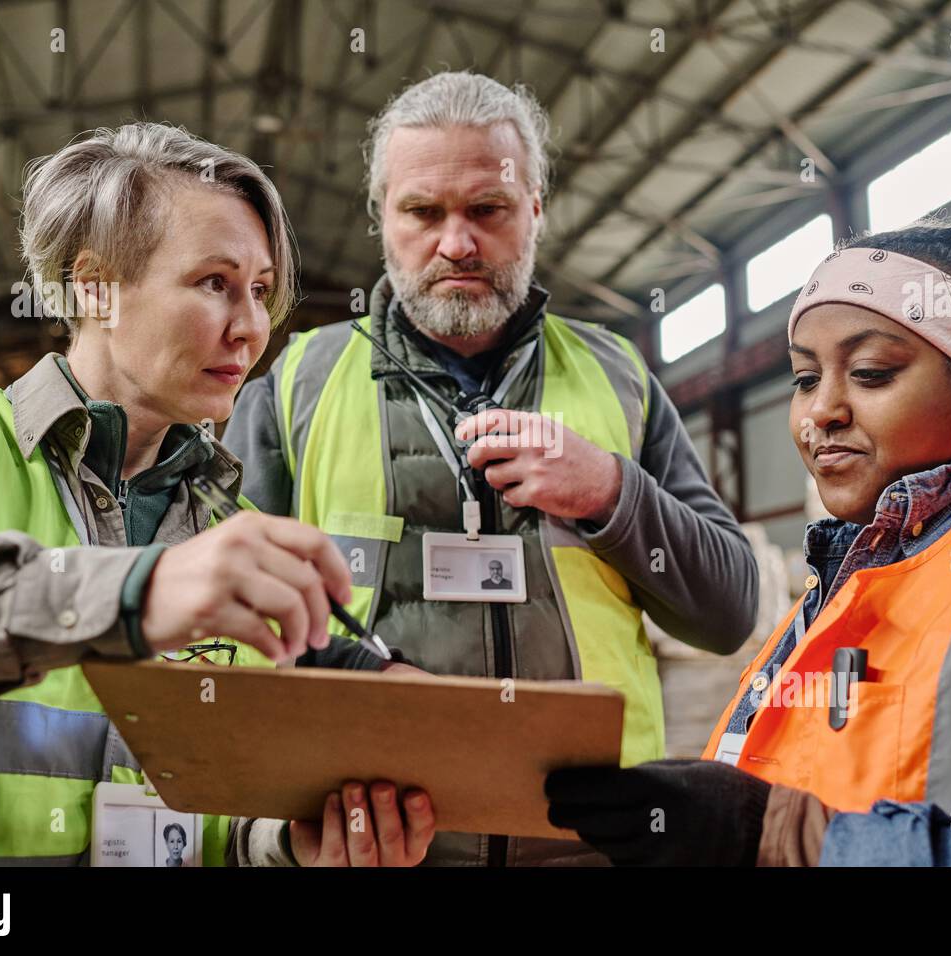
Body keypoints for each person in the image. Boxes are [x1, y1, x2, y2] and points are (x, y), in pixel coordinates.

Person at [0, 122, 434, 867]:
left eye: (261, 292)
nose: (253, 328)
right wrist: (135, 592)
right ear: (96, 287)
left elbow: (216, 806)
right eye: (215, 284)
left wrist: (284, 847)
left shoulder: (238, 537)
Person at [226, 70, 759, 866]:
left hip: (594, 847)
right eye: (423, 212)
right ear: (382, 219)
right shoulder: (295, 386)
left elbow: (727, 612)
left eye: (488, 210)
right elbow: (220, 625)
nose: (457, 244)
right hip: (384, 847)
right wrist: (351, 677)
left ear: (535, 210)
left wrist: (611, 492)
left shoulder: (618, 378)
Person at [546, 220, 951, 866]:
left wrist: (778, 837)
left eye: (869, 373)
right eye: (804, 379)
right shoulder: (834, 597)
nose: (821, 411)